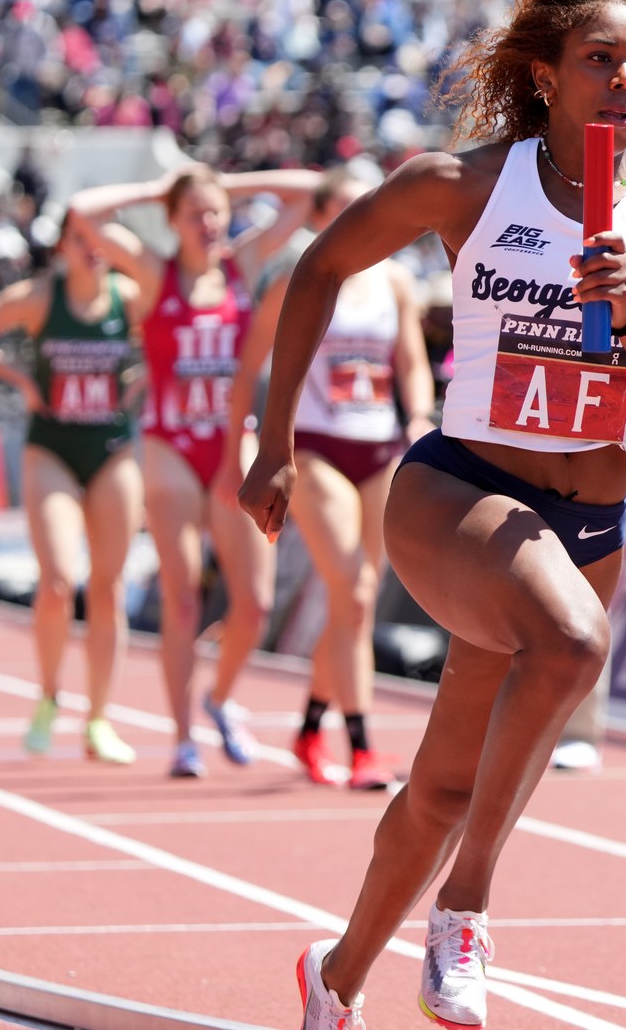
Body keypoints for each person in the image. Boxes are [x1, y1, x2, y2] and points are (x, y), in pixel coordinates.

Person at [239, 0, 626, 1027]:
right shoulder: (464, 185)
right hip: (461, 490)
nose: (624, 81)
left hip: (588, 518)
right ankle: (463, 914)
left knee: (445, 789)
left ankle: (333, 978)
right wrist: (274, 440)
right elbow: (319, 268)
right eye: (600, 60)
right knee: (570, 647)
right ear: (547, 77)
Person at [68, 165, 323, 778]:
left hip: (232, 442)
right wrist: (162, 190)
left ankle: (220, 698)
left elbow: (308, 191)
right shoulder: (157, 273)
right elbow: (84, 211)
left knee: (255, 604)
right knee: (180, 599)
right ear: (173, 221)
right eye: (195, 215)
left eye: (214, 214)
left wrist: (221, 186)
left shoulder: (243, 262)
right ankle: (183, 737)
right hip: (171, 448)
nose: (208, 224)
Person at [232, 170, 435, 791]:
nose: (359, 217)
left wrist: (420, 415)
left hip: (378, 448)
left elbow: (411, 364)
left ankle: (309, 726)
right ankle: (362, 745)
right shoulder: (305, 277)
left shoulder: (395, 281)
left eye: (367, 205)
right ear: (323, 215)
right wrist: (246, 445)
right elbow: (249, 366)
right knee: (350, 587)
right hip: (316, 449)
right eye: (345, 206)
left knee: (357, 601)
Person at [0, 213, 146, 766]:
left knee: (108, 588)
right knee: (57, 582)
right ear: (61, 248)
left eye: (101, 238)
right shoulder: (38, 298)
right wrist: (20, 379)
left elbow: (181, 330)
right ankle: (50, 696)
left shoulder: (130, 296)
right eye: (81, 239)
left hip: (111, 450)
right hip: (52, 448)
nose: (93, 249)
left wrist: (142, 377)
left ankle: (99, 718)